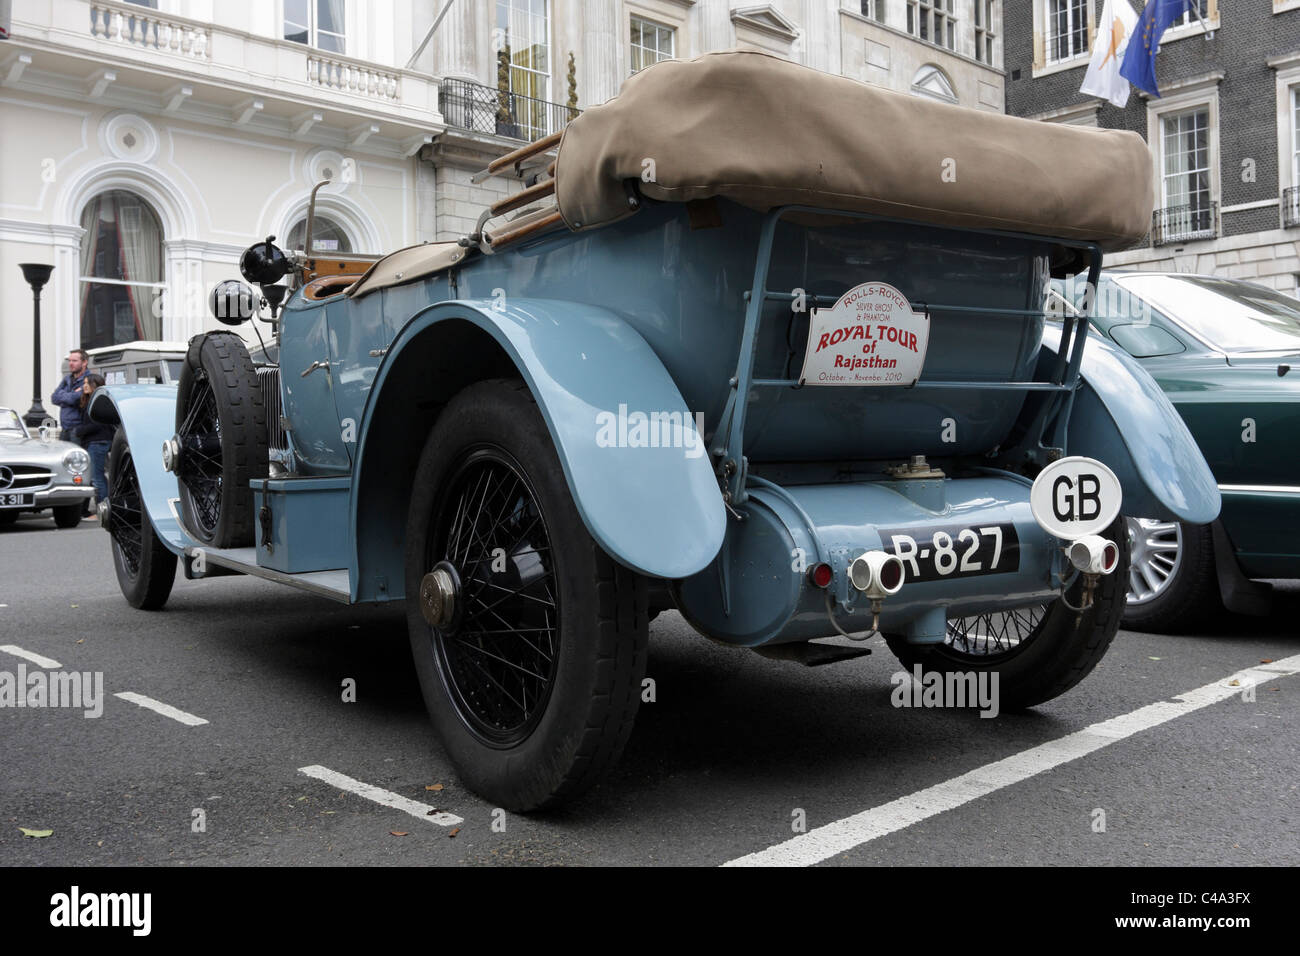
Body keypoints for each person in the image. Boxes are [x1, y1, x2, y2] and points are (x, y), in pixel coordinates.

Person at [76, 373, 114, 519]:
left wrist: (79, 431)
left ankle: (101, 511)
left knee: (96, 478)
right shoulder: (90, 400)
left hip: (98, 442)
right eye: (84, 383)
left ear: (96, 385)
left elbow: (96, 424)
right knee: (95, 477)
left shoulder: (98, 401)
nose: (84, 385)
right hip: (93, 441)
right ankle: (95, 510)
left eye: (88, 383)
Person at [51, 349, 89, 442]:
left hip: (78, 429)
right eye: (69, 361)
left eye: (74, 361)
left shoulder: (88, 380)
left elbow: (76, 399)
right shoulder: (67, 378)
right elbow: (54, 398)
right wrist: (71, 395)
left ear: (84, 362)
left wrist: (63, 396)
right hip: (64, 428)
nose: (70, 363)